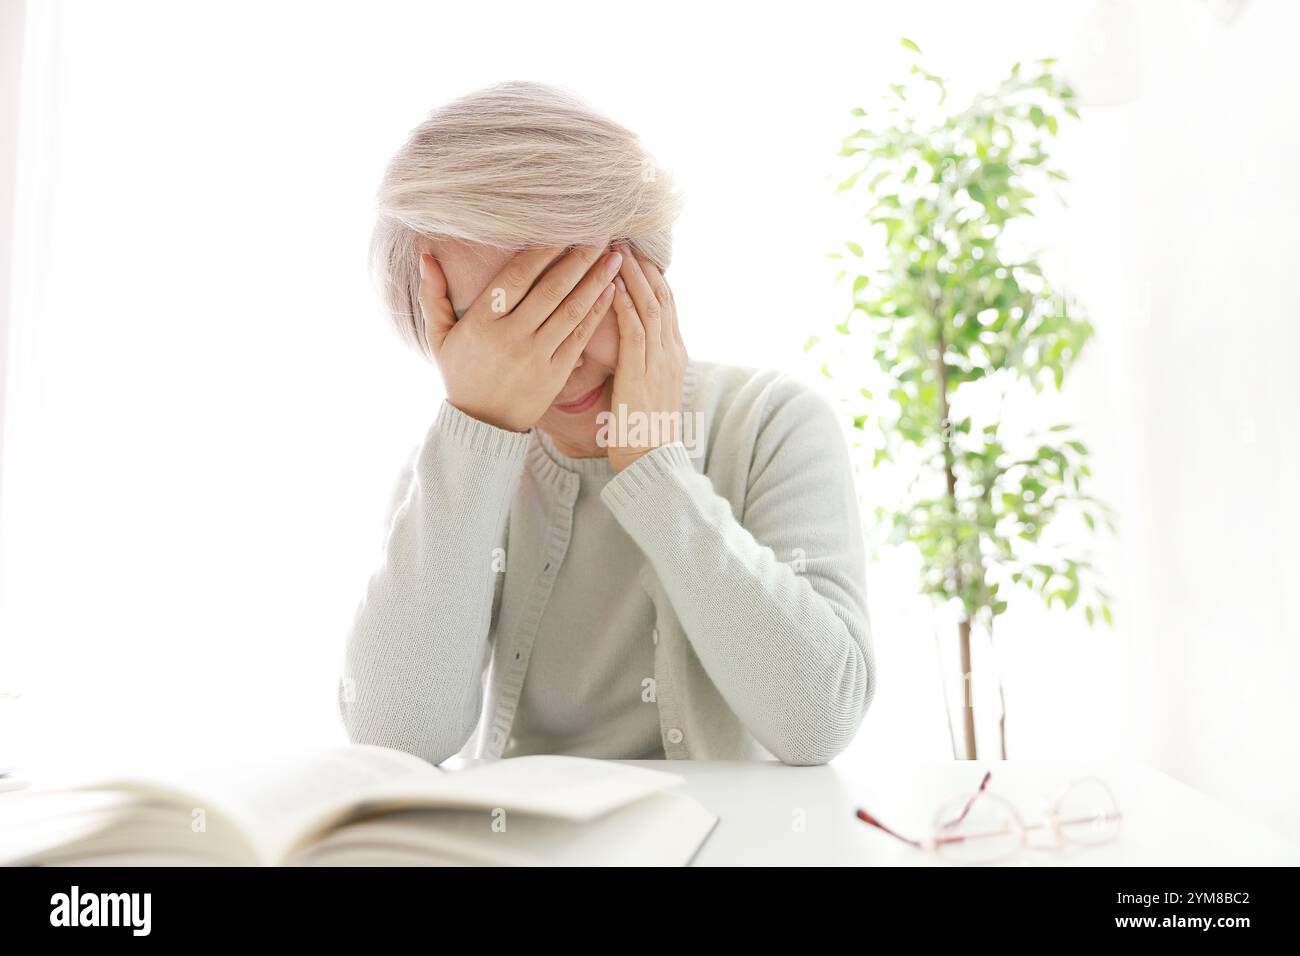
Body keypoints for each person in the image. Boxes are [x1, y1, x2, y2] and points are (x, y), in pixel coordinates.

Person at [338, 81, 875, 766]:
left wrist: (654, 468)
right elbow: (393, 739)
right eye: (502, 329)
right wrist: (475, 437)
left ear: (651, 272)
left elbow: (818, 723)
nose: (559, 367)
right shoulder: (456, 466)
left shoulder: (772, 424)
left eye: (574, 300)